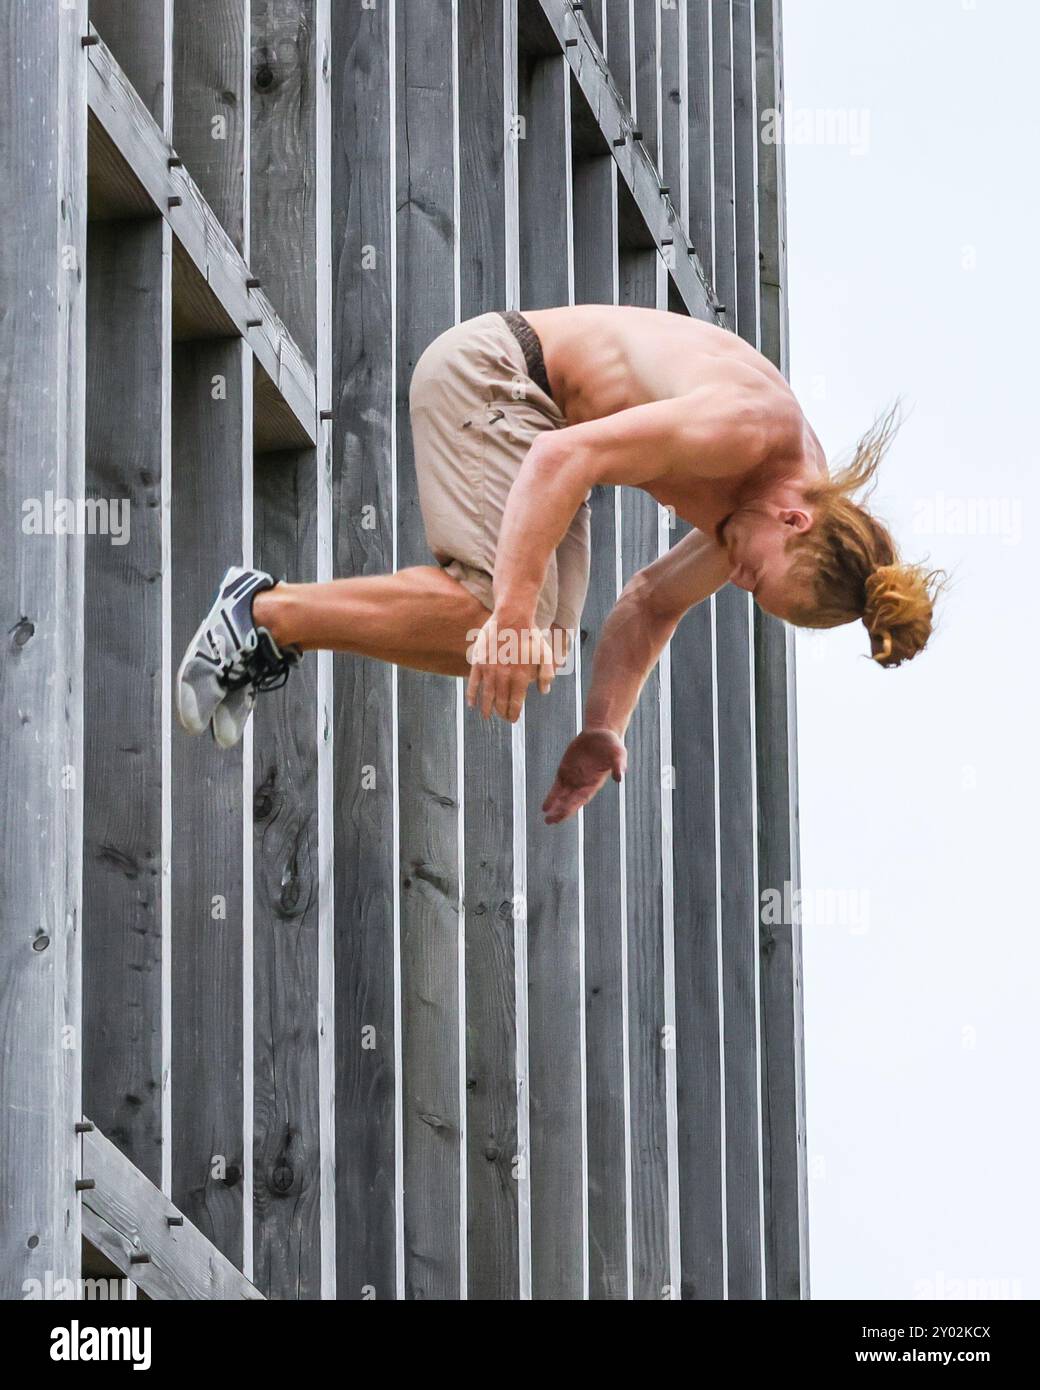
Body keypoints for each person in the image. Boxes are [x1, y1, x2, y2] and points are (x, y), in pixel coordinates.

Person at [176, 304, 943, 824]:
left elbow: (649, 603)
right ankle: (261, 614)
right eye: (756, 576)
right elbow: (560, 457)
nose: (736, 576)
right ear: (796, 519)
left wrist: (603, 726)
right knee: (500, 621)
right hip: (501, 373)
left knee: (536, 649)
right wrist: (509, 614)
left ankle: (274, 625)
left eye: (750, 591)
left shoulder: (759, 512)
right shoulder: (747, 431)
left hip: (543, 421)